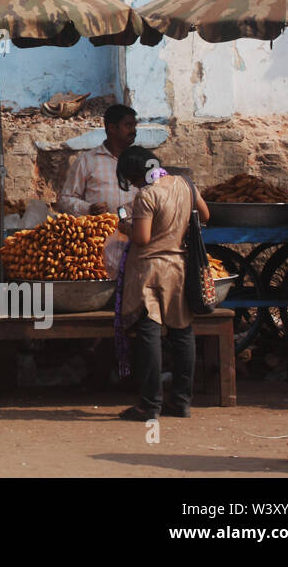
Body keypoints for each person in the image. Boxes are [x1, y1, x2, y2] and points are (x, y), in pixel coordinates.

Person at [114, 145, 209, 421]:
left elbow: (142, 239)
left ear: (134, 175)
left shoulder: (147, 195)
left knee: (149, 334)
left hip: (149, 272)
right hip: (178, 267)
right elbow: (205, 216)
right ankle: (181, 401)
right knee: (182, 332)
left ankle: (149, 404)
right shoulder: (185, 184)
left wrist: (125, 226)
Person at [57, 104, 138, 216]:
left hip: (135, 231)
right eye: (128, 125)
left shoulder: (139, 161)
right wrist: (88, 209)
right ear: (112, 128)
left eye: (134, 125)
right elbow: (65, 199)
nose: (134, 130)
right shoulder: (87, 161)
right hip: (101, 231)